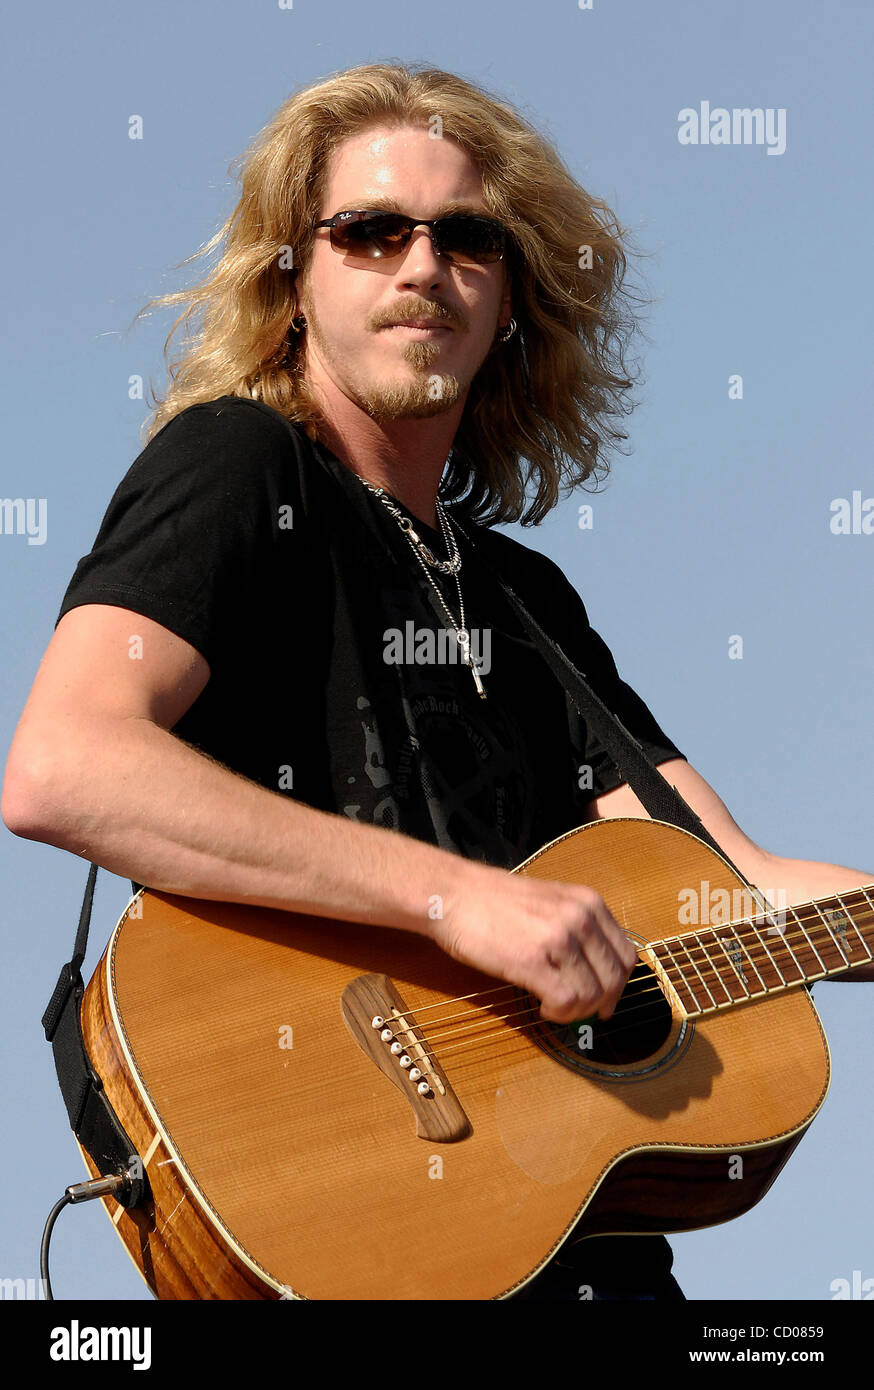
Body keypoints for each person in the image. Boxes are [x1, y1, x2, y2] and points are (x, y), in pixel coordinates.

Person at [3, 62, 871, 1302]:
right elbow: (62, 764)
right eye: (368, 231)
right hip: (349, 1194)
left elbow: (729, 891)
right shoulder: (243, 471)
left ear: (512, 296)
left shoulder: (527, 600)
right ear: (290, 277)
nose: (422, 266)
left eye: (466, 238)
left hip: (574, 1253)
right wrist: (458, 903)